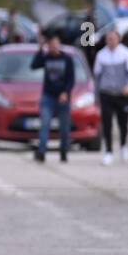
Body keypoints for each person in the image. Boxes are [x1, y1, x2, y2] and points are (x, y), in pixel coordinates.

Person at [94, 28, 128, 164]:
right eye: (108, 39)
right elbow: (97, 75)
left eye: (113, 38)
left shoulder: (126, 54)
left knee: (122, 123)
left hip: (122, 94)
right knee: (107, 124)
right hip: (106, 94)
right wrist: (97, 93)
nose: (110, 41)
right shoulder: (101, 55)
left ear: (118, 39)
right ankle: (108, 151)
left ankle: (123, 145)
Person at [31, 33, 75, 163]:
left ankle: (63, 151)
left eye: (56, 44)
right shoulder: (46, 57)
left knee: (64, 127)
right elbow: (34, 65)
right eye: (51, 45)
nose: (54, 47)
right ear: (49, 46)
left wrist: (66, 92)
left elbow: (71, 79)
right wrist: (40, 49)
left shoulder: (67, 59)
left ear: (59, 45)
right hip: (48, 96)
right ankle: (42, 152)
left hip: (63, 97)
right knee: (45, 124)